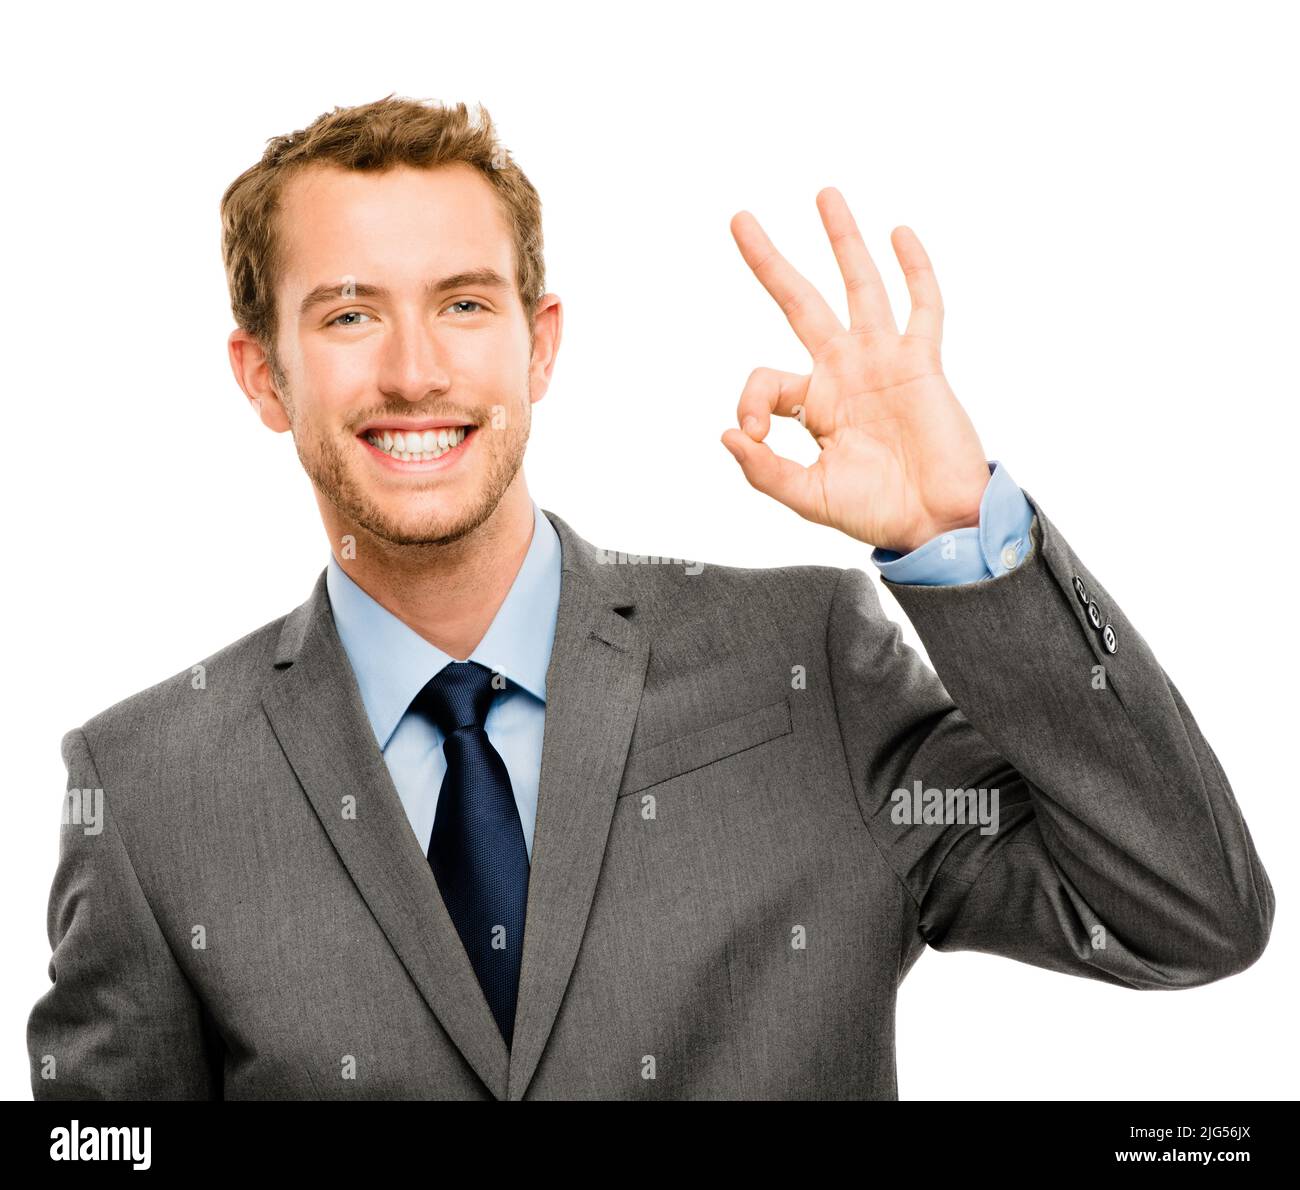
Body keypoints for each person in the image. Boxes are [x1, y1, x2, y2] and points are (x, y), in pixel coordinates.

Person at [28, 95, 1274, 1100]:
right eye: (349, 313)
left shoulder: (809, 664)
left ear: (542, 341)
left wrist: (960, 536)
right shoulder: (148, 790)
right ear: (263, 374)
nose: (416, 370)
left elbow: (1186, 914)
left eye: (465, 304)